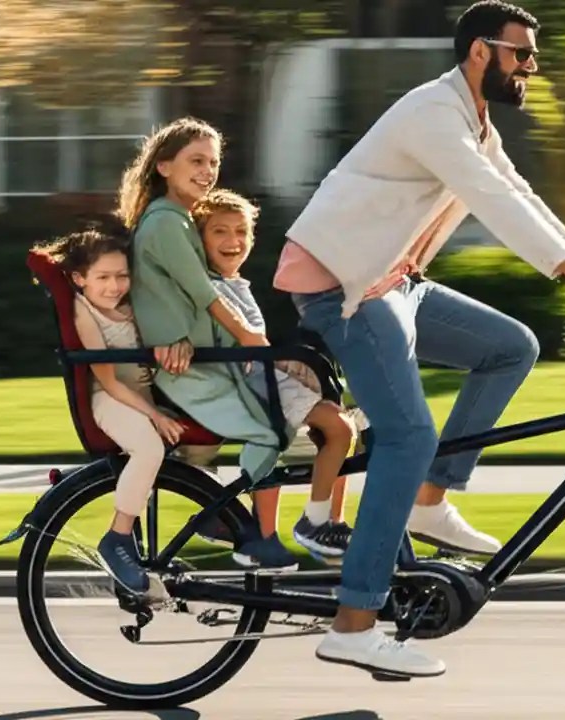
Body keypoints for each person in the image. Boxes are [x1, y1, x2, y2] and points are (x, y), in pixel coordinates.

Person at [274, 0, 565, 677]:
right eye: (521, 54)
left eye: (534, 55)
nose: (532, 66)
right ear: (480, 51)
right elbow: (493, 203)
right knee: (409, 435)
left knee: (512, 346)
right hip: (344, 287)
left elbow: (521, 195)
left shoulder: (473, 120)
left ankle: (429, 502)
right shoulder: (434, 114)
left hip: (393, 284)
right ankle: (353, 622)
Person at [117, 116, 299, 569]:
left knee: (279, 418)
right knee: (268, 432)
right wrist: (250, 338)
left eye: (213, 163)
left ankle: (223, 518)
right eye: (195, 161)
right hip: (187, 371)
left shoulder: (177, 220)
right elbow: (205, 293)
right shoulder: (165, 223)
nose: (207, 171)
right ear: (163, 166)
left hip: (199, 360)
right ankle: (255, 536)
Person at [189, 187, 357, 564]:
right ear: (199, 238)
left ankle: (326, 523)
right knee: (340, 429)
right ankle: (315, 523)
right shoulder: (209, 289)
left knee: (350, 429)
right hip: (252, 386)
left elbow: (250, 343)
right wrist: (282, 362)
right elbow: (235, 346)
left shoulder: (234, 285)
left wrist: (285, 362)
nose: (233, 241)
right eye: (219, 231)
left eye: (241, 232)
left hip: (263, 378)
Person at [31, 226, 183, 595]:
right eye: (103, 278)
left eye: (122, 276)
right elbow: (112, 383)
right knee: (150, 448)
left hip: (139, 396)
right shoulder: (85, 313)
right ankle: (117, 536)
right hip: (110, 401)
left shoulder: (127, 308)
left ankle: (208, 526)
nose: (114, 286)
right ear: (79, 279)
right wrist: (156, 415)